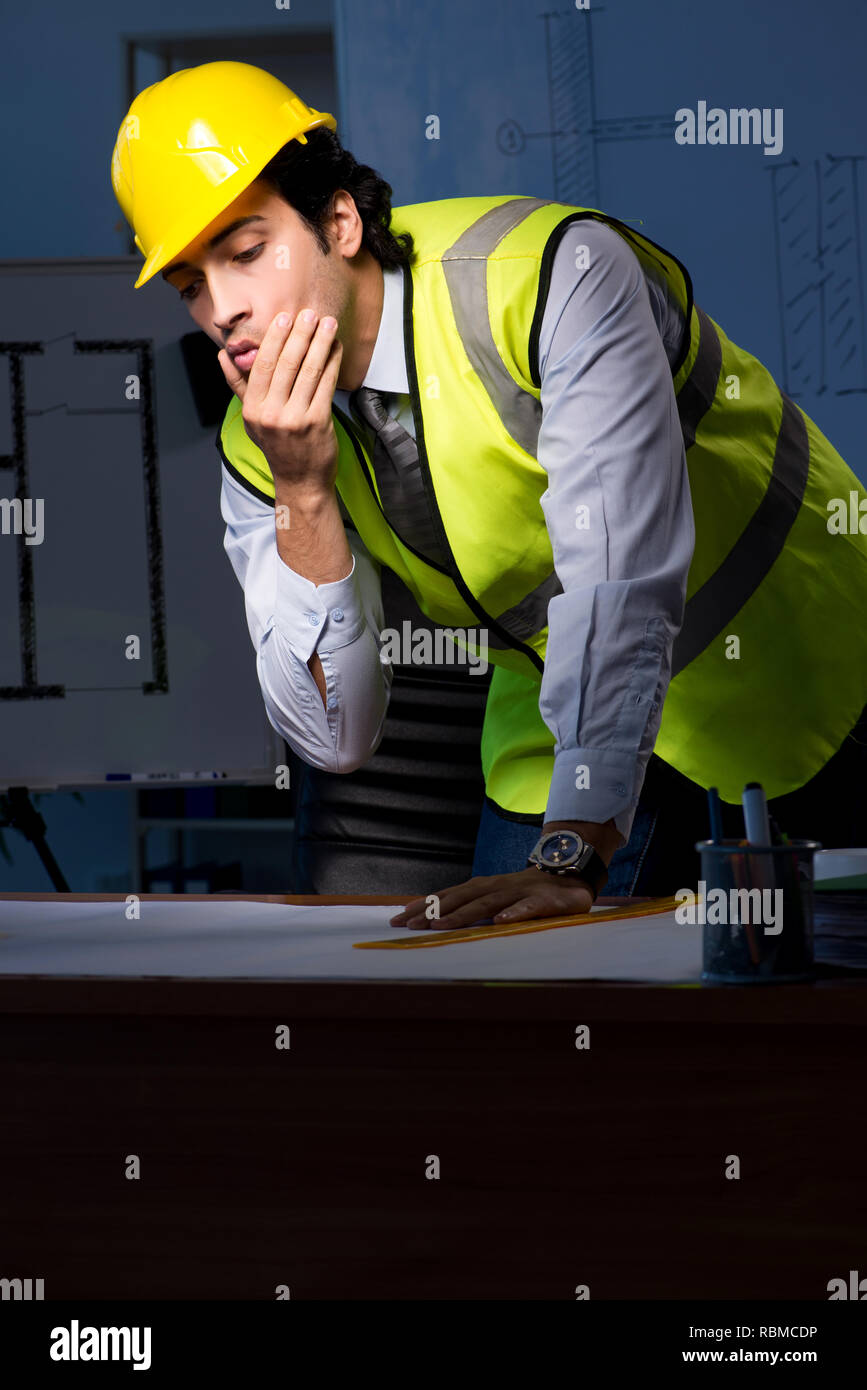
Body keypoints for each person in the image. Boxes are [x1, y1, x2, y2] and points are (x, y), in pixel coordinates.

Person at [110, 61, 867, 931]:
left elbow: (618, 574)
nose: (222, 310)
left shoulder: (548, 278)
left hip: (801, 668)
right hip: (550, 725)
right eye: (191, 285)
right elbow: (334, 738)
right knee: (519, 1014)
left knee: (811, 1012)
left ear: (340, 222)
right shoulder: (263, 444)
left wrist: (574, 845)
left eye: (246, 253)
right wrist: (304, 490)